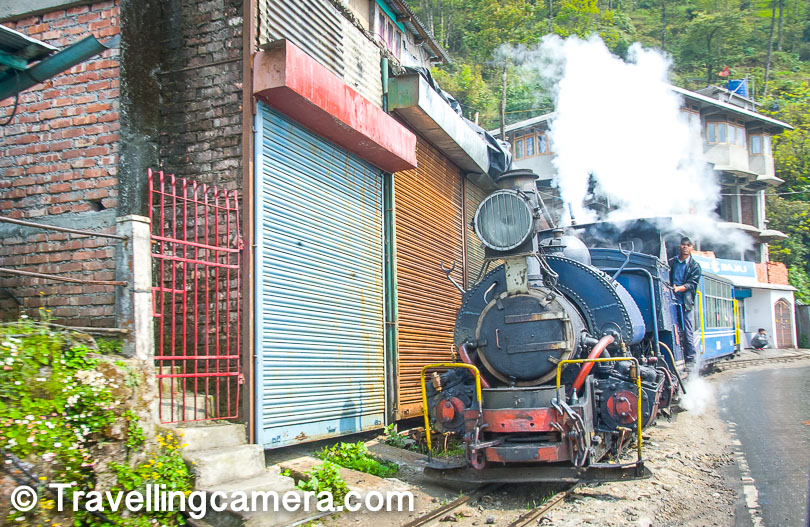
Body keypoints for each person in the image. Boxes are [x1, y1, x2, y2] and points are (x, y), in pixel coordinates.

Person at [669, 236, 702, 367]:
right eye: (683, 245)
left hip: (685, 301)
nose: (685, 247)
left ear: (692, 247)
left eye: (688, 245)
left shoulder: (695, 266)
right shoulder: (672, 263)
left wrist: (678, 289)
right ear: (680, 247)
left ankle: (691, 358)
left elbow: (692, 284)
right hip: (670, 299)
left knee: (687, 329)